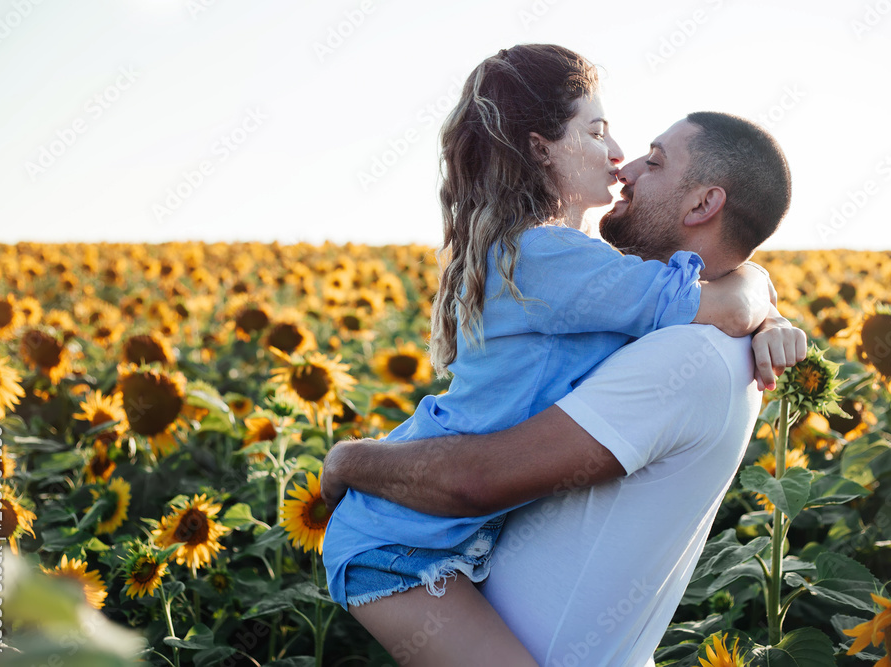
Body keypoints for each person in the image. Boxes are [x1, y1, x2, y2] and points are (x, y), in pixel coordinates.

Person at [320, 45, 784, 665]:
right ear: (541, 150)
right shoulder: (548, 259)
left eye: (649, 158)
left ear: (705, 203)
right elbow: (711, 302)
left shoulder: (580, 271)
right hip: (395, 544)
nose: (619, 157)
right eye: (596, 132)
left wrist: (765, 305)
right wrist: (760, 296)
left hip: (437, 532)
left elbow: (696, 297)